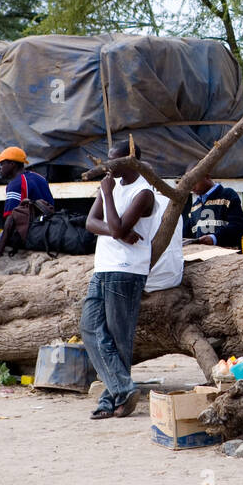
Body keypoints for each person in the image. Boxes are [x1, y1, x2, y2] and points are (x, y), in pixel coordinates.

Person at [80, 140, 156, 420]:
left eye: (114, 162)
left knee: (118, 338)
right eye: (107, 161)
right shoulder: (111, 185)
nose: (108, 168)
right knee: (89, 327)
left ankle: (111, 400)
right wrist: (120, 233)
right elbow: (91, 222)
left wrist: (109, 200)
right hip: (103, 267)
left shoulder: (143, 193)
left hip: (126, 270)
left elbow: (114, 225)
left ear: (131, 160)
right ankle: (122, 389)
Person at [182, 176, 243, 250]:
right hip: (204, 258)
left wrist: (214, 238)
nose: (192, 187)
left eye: (194, 182)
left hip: (229, 257)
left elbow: (238, 226)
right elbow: (186, 234)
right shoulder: (195, 207)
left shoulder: (228, 195)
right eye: (189, 184)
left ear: (207, 176)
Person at [0, 146, 54, 216]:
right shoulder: (40, 178)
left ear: (12, 164)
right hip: (48, 224)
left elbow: (11, 216)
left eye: (2, 164)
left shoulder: (15, 185)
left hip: (31, 226)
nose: (0, 168)